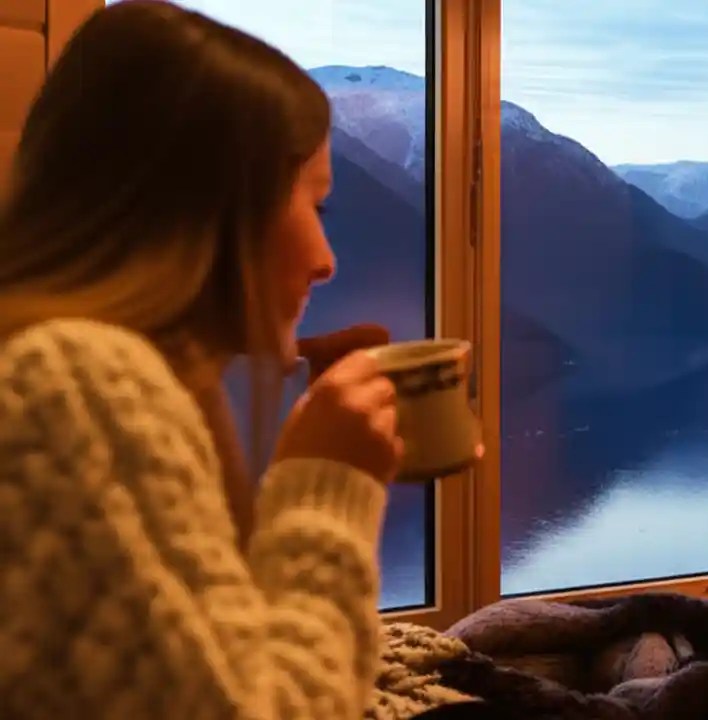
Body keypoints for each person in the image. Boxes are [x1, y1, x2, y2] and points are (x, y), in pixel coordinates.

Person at [0, 1, 409, 717]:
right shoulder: (78, 383)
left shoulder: (56, 374)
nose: (326, 261)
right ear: (209, 212)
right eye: (314, 206)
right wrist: (327, 486)